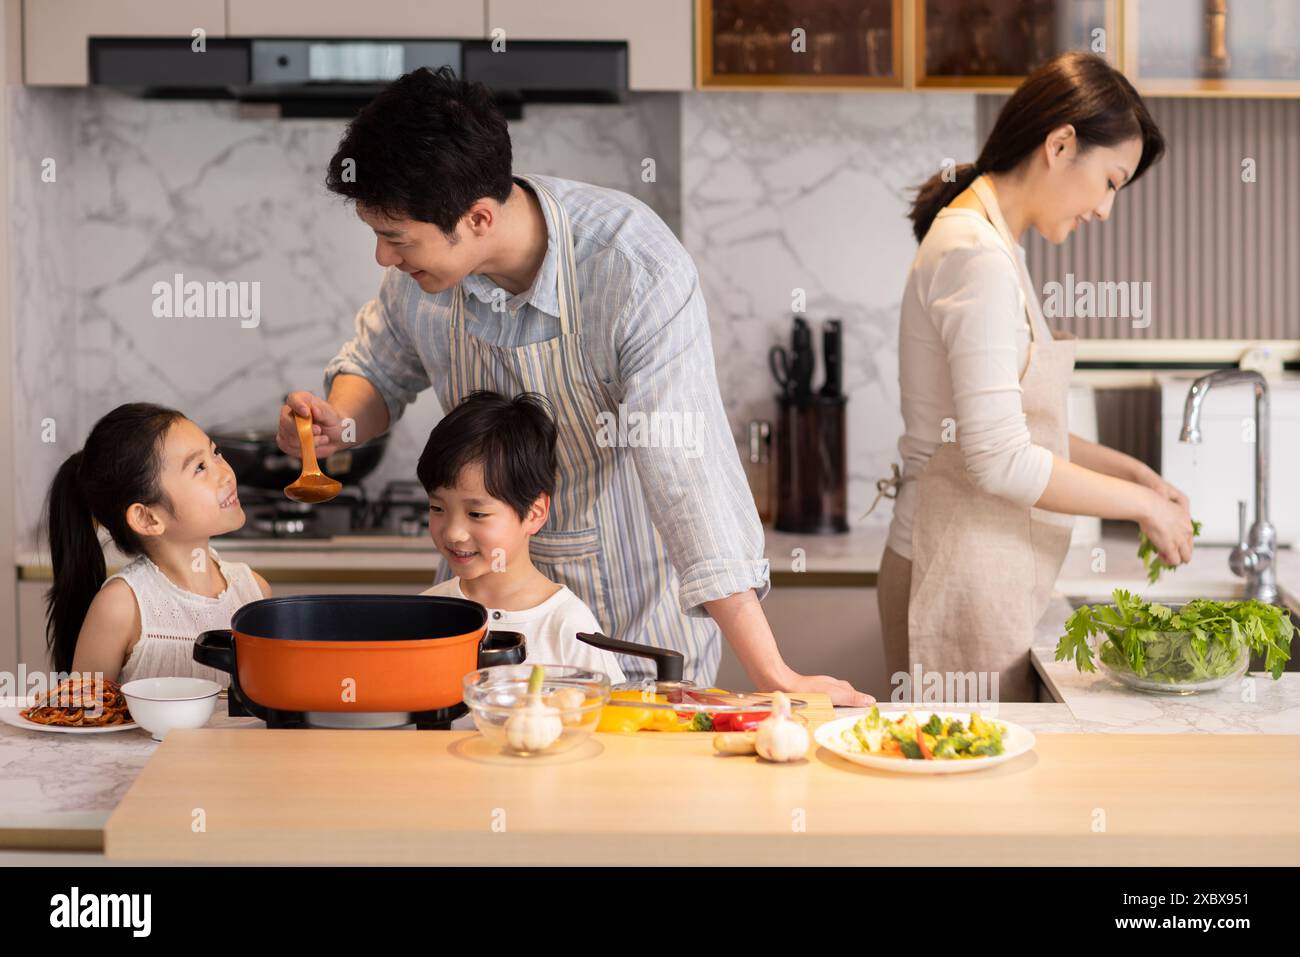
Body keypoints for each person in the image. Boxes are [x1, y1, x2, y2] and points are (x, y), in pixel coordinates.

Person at [277, 66, 871, 705]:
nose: (384, 259)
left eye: (395, 240)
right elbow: (376, 368)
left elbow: (687, 473)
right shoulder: (424, 273)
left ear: (478, 217)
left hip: (635, 631)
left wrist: (773, 673)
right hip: (486, 640)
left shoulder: (634, 270)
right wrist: (337, 425)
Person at [878, 52, 1193, 701]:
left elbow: (1013, 430)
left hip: (968, 565)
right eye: (1111, 180)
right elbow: (998, 458)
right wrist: (1141, 507)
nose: (1107, 209)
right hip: (953, 568)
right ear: (1060, 144)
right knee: (967, 798)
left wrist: (1134, 475)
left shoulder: (991, 244)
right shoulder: (977, 256)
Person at [44, 403, 270, 684]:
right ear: (147, 517)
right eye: (199, 467)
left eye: (216, 453)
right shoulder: (121, 607)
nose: (225, 473)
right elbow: (85, 716)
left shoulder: (254, 592)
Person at [416, 390, 626, 684]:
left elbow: (609, 724)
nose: (453, 532)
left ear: (534, 513)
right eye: (437, 508)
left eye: (476, 514)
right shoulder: (423, 614)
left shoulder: (568, 626)